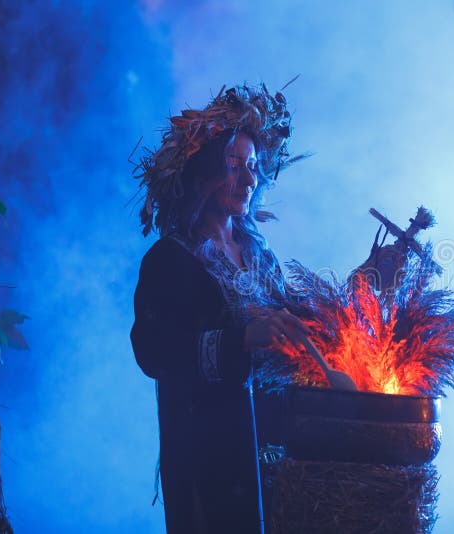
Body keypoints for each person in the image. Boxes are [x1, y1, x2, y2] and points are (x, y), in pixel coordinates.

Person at [130, 84, 310, 533]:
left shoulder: (258, 252)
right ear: (202, 173)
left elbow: (297, 324)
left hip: (272, 444)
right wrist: (240, 340)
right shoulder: (170, 259)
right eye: (234, 165)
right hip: (207, 454)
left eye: (252, 168)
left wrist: (369, 277)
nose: (249, 179)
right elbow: (152, 350)